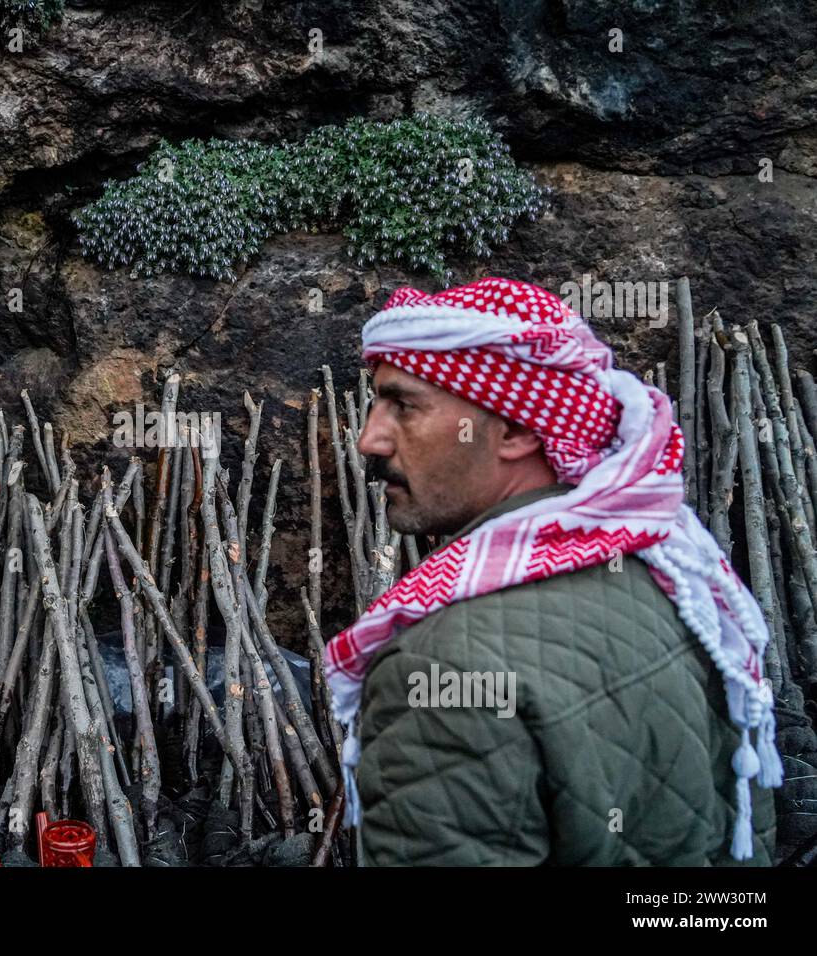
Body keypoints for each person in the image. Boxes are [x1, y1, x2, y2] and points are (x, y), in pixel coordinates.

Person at [327, 277, 780, 865]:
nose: (368, 439)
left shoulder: (439, 671)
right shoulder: (679, 580)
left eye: (405, 405)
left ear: (515, 429)